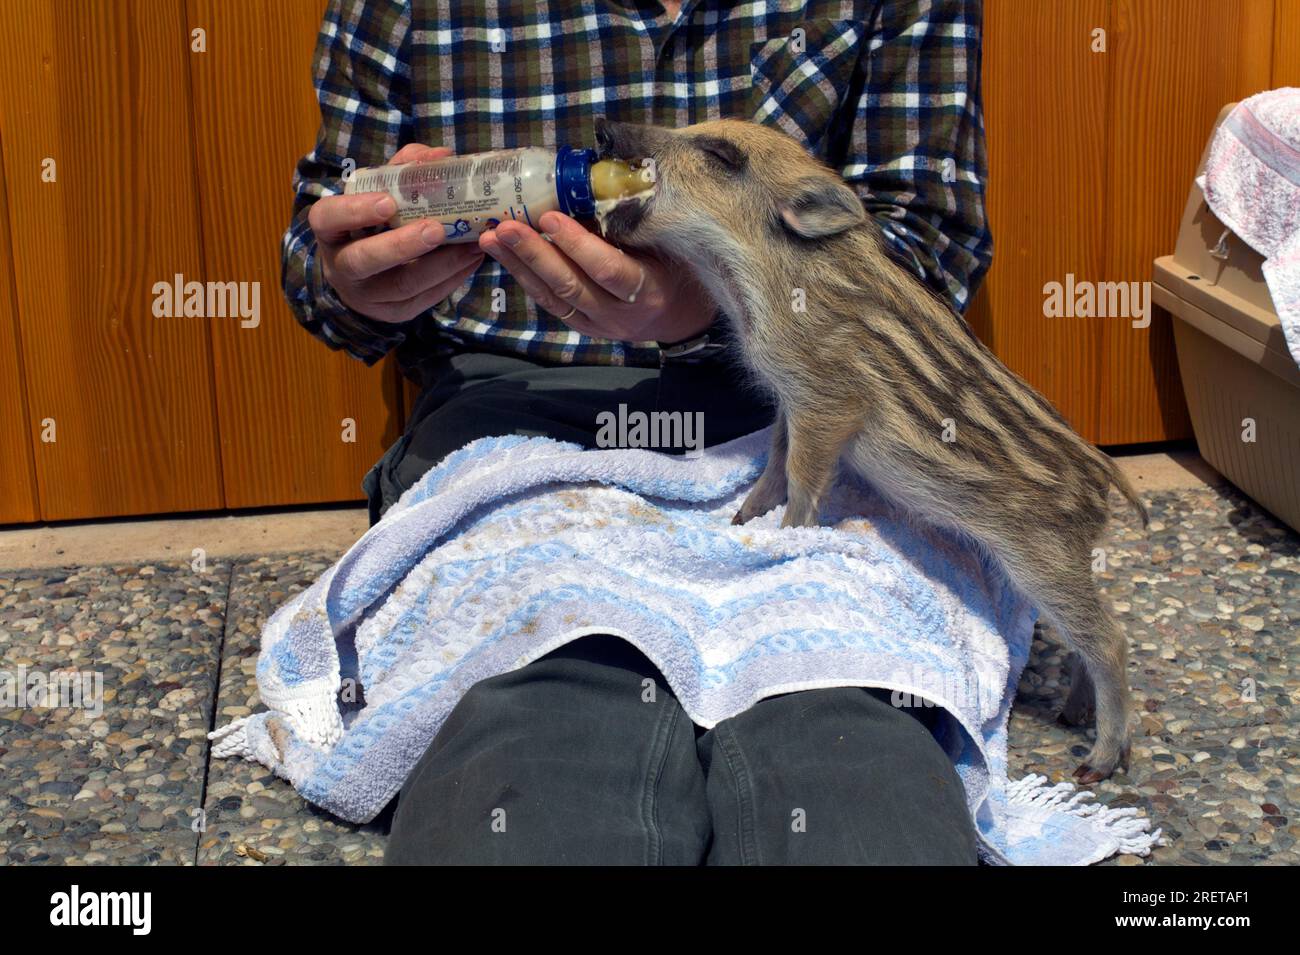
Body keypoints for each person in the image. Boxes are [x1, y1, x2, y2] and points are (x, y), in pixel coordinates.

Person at [283, 0, 993, 865]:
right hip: (517, 443)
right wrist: (349, 281)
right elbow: (321, 252)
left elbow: (929, 251)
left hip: (805, 429)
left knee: (842, 743)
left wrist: (723, 299)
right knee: (538, 724)